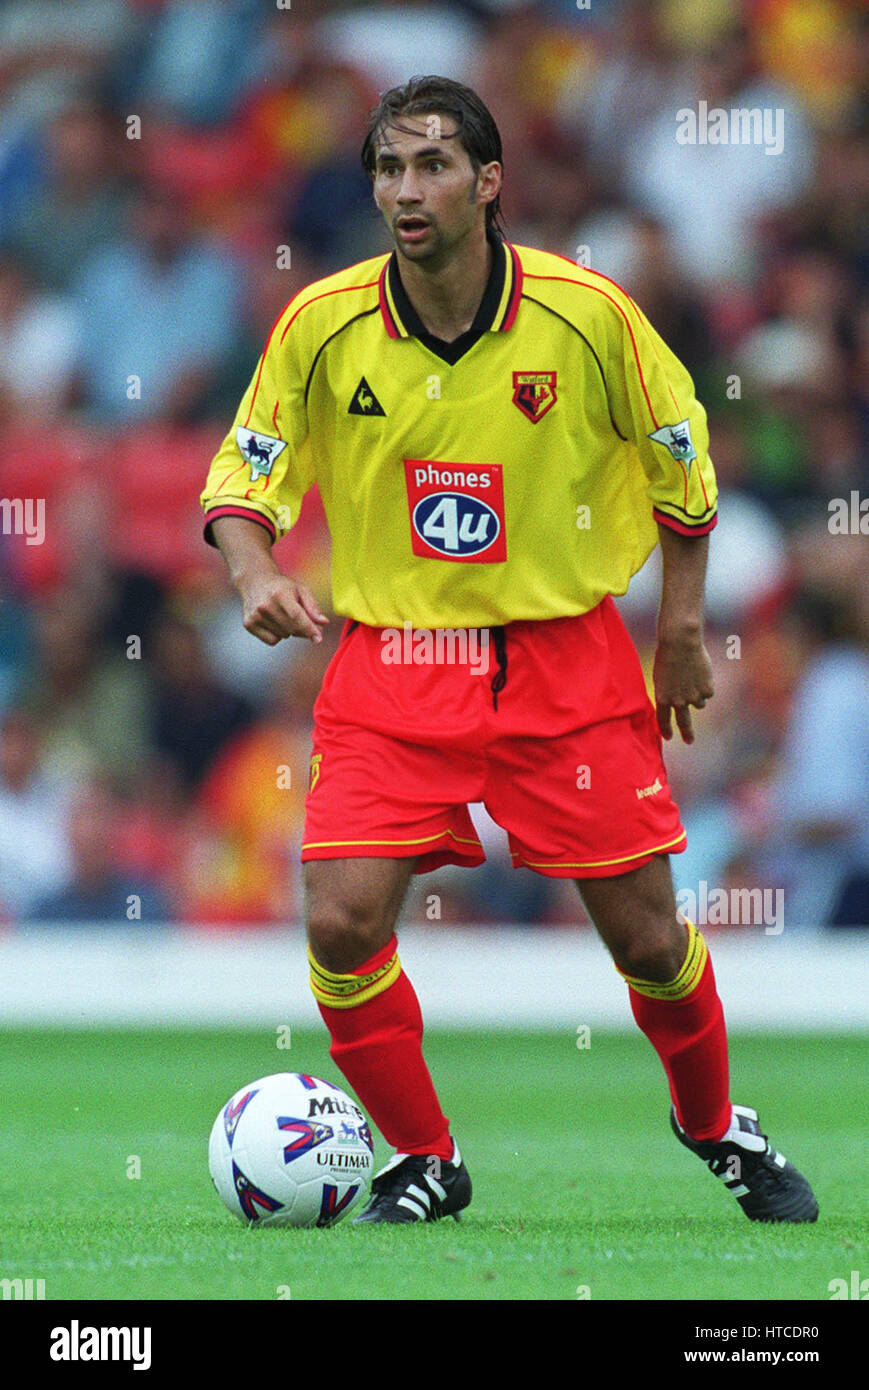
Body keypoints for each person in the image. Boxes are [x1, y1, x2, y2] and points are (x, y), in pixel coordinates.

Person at [200, 76, 817, 1226]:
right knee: (338, 919)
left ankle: (713, 1126)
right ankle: (424, 1157)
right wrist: (253, 570)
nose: (404, 190)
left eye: (431, 165)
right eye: (387, 168)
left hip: (560, 658)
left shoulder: (586, 317)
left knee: (645, 938)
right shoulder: (323, 321)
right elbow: (246, 472)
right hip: (392, 658)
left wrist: (678, 629)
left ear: (488, 184)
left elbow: (682, 462)